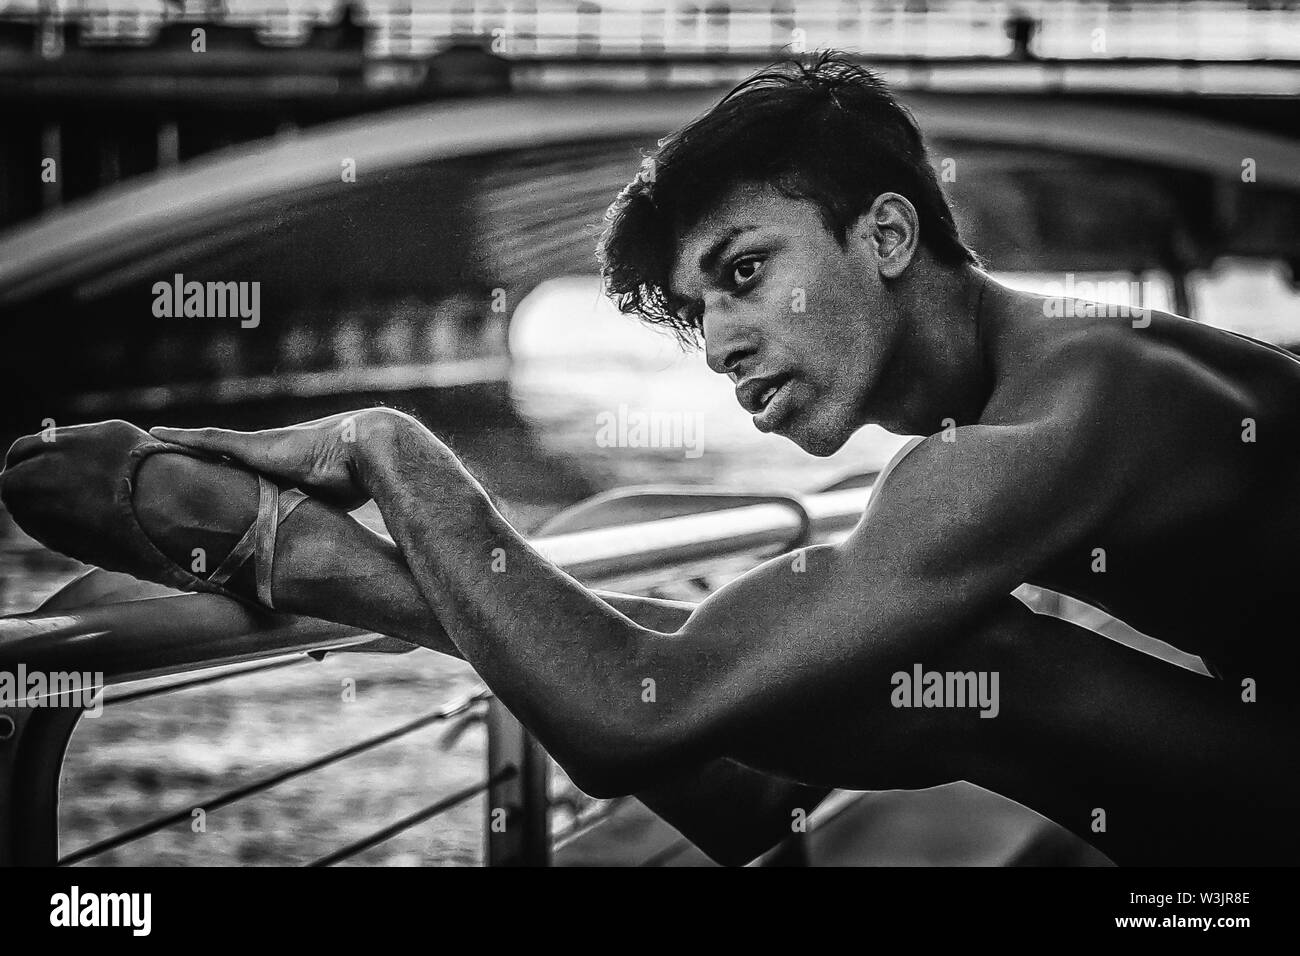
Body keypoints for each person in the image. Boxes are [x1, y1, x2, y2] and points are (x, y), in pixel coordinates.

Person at [3, 53, 1297, 866]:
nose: (723, 341)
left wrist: (388, 455)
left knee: (989, 665)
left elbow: (635, 717)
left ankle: (324, 572)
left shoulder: (1052, 420)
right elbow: (699, 716)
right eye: (696, 313)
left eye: (746, 274)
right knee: (936, 668)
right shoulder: (1047, 397)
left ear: (889, 233)